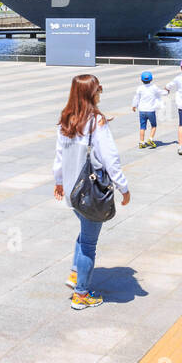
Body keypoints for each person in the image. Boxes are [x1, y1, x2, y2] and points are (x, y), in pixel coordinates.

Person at [53, 75, 129, 309]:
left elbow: (59, 156)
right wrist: (123, 186)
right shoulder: (96, 121)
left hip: (72, 192)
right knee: (88, 243)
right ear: (90, 93)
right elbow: (110, 157)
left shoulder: (67, 119)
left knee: (84, 233)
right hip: (89, 192)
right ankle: (82, 295)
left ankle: (76, 274)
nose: (100, 94)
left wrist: (58, 181)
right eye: (98, 90)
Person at [130, 70, 165, 148]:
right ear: (151, 79)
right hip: (150, 110)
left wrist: (134, 106)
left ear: (141, 80)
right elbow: (161, 92)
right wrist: (167, 91)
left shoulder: (140, 88)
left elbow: (136, 98)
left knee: (142, 127)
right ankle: (150, 139)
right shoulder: (154, 87)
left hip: (142, 110)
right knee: (154, 126)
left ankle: (141, 142)